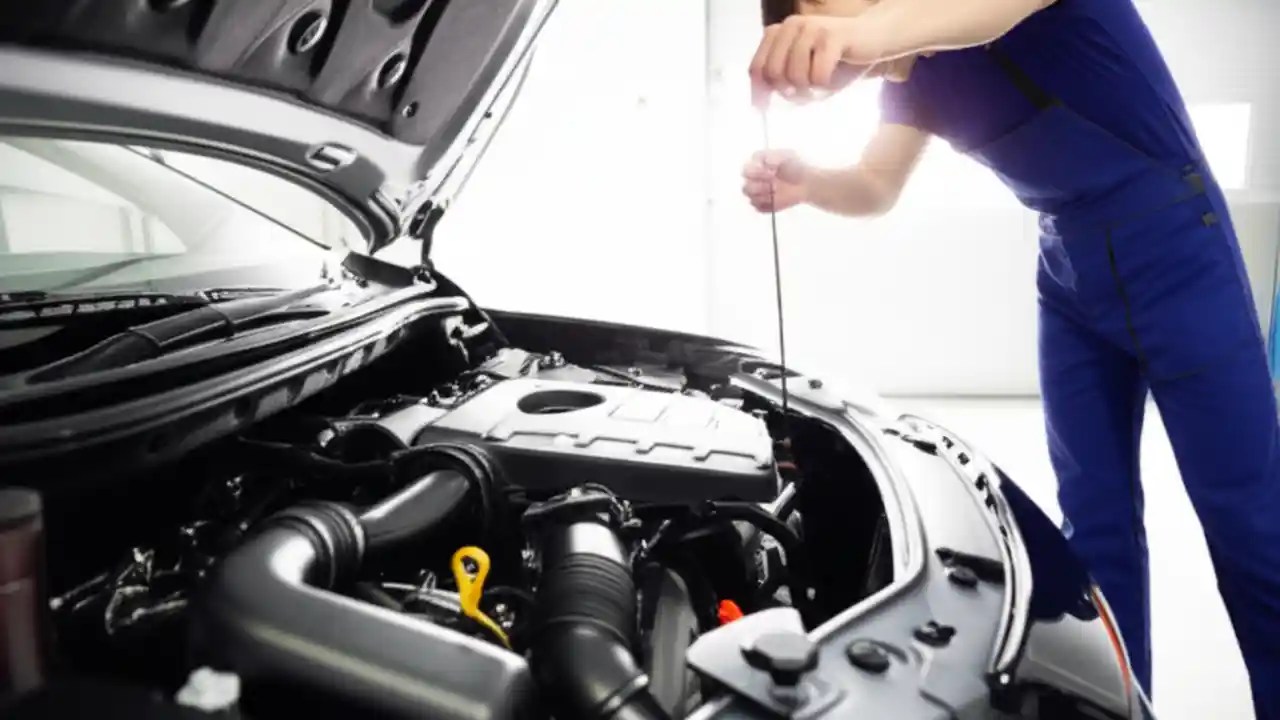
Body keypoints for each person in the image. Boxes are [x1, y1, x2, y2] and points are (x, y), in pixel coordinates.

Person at [742, 0, 1280, 716]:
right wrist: (809, 180)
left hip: (1180, 253)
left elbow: (984, 18)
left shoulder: (970, 12)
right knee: (1095, 532)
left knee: (1251, 530)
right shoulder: (913, 72)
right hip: (1070, 277)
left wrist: (855, 38)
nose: (843, 45)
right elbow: (875, 184)